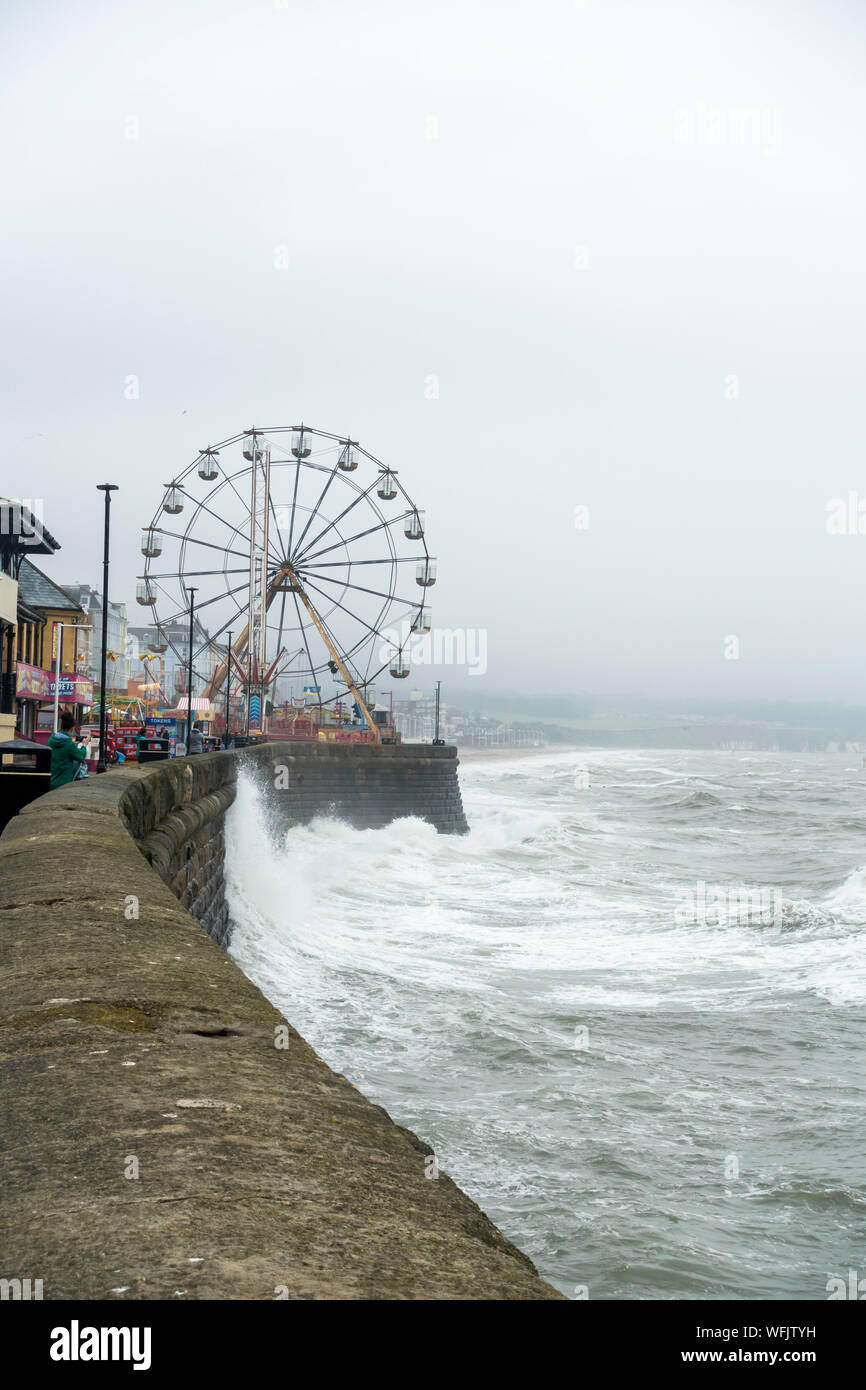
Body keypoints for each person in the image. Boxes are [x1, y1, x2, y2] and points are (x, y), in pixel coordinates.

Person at [48, 712, 88, 789]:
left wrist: (72, 744)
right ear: (72, 728)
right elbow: (81, 756)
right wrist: (84, 745)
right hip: (64, 782)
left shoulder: (51, 739)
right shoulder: (69, 744)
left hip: (51, 781)